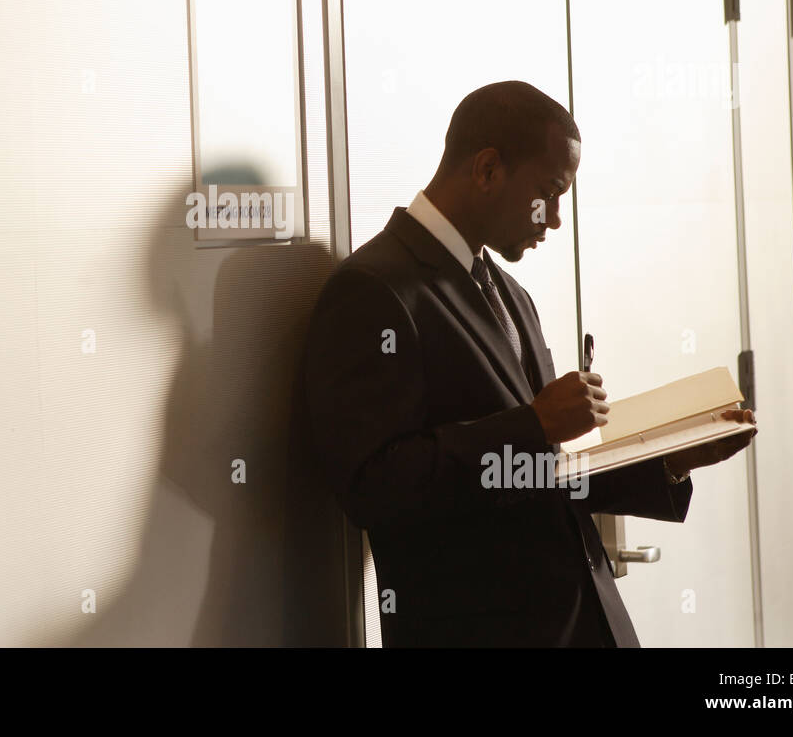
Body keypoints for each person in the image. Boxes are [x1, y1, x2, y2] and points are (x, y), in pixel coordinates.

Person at [299, 80, 757, 647]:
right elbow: (374, 486)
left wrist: (669, 460)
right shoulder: (372, 290)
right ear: (488, 169)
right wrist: (534, 424)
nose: (557, 218)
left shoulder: (510, 293)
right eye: (550, 192)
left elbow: (542, 475)